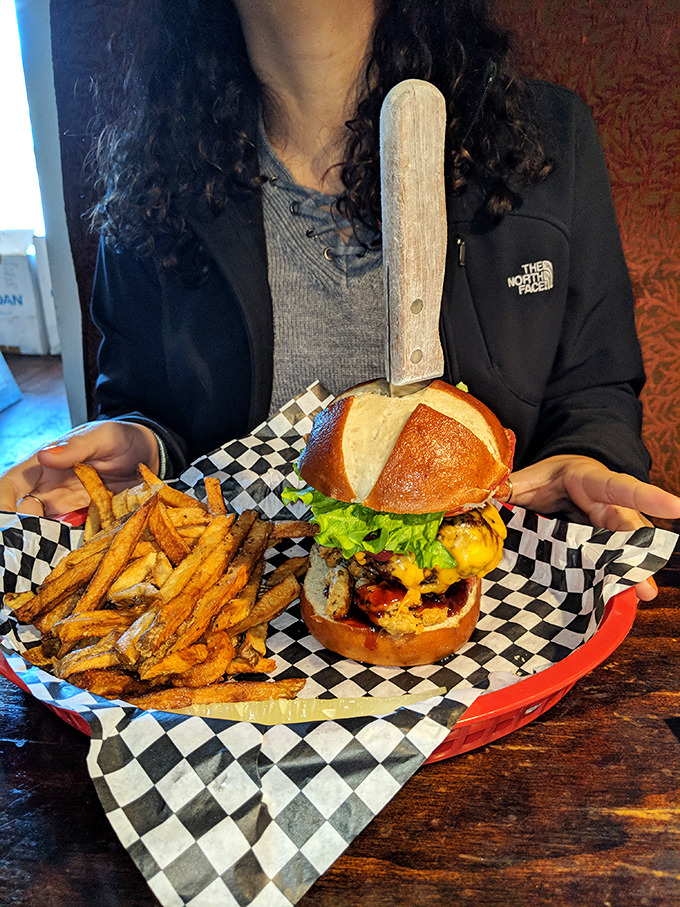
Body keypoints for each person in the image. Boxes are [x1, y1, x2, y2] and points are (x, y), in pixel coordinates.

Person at [0, 0, 678, 602]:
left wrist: (591, 455)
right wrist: (140, 442)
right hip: (243, 637)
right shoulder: (152, 174)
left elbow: (596, 389)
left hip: (500, 624)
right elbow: (144, 404)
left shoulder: (550, 139)